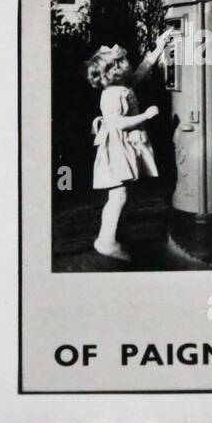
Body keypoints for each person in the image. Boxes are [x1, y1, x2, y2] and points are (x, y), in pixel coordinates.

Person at [85, 29, 176, 259]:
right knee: (118, 196)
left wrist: (160, 46)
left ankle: (108, 238)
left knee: (119, 196)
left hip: (121, 148)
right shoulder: (112, 95)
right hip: (116, 150)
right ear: (114, 69)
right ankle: (106, 241)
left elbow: (143, 71)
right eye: (124, 60)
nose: (128, 62)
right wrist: (145, 116)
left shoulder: (122, 87)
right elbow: (118, 124)